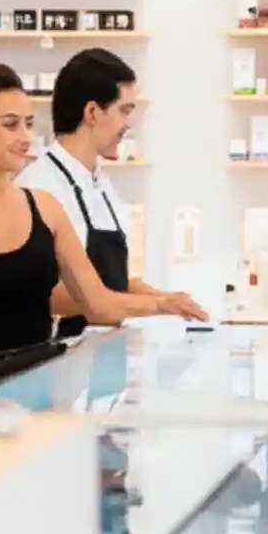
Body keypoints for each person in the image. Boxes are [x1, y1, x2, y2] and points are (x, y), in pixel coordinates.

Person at [0, 41, 207, 396]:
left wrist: (162, 303)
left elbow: (97, 303)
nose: (26, 138)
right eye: (10, 125)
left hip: (41, 395)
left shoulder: (46, 209)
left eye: (29, 124)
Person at [15, 48, 172, 338]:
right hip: (57, 362)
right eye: (124, 110)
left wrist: (163, 299)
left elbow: (110, 279)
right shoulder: (38, 188)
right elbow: (45, 294)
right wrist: (152, 304)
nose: (130, 123)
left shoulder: (102, 184)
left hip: (102, 359)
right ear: (91, 112)